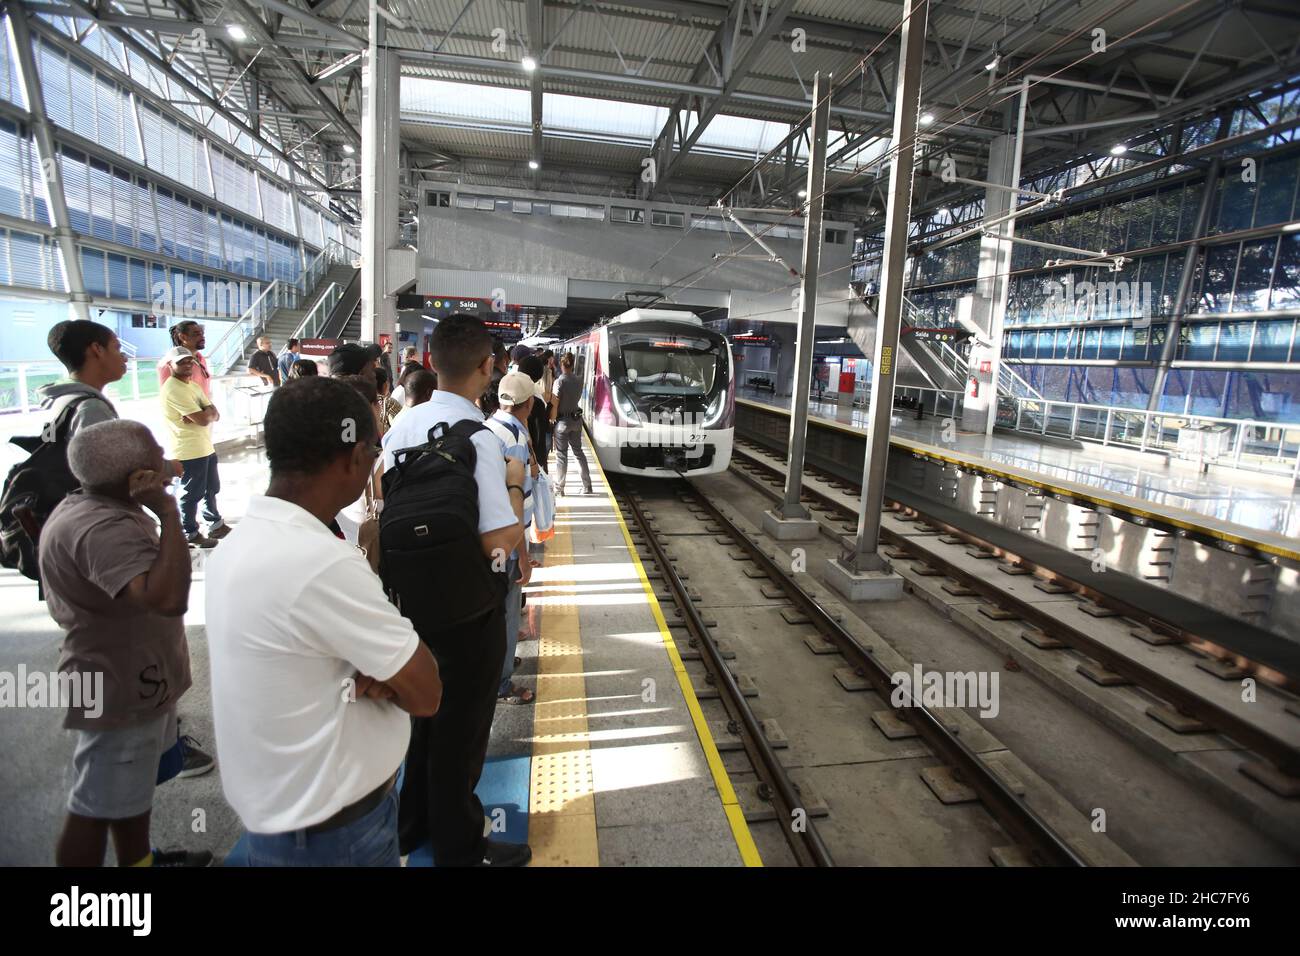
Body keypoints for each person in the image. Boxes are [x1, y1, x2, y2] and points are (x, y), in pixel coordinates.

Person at [205, 378, 442, 867]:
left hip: (286, 825)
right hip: (336, 838)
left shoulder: (239, 544)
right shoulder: (320, 563)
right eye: (375, 450)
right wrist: (390, 677)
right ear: (355, 456)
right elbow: (425, 691)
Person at [382, 313, 530, 867]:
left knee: (424, 716)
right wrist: (515, 488)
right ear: (488, 368)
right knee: (463, 728)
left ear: (431, 363)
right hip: (469, 608)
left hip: (408, 603)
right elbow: (497, 537)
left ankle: (411, 823)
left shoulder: (402, 426)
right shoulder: (480, 437)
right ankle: (461, 846)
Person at [41, 419, 211, 867]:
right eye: (156, 451)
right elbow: (168, 599)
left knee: (126, 794)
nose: (165, 456)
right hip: (116, 687)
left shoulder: (103, 505)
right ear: (138, 478)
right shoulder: (103, 530)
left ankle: (141, 862)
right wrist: (170, 512)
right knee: (94, 805)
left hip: (137, 680)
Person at [484, 372, 537, 706]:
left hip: (487, 537)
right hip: (508, 540)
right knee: (507, 610)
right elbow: (512, 503)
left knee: (495, 606)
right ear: (528, 403)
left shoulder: (489, 425)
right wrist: (524, 556)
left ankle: (496, 664)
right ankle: (501, 681)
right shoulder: (516, 438)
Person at [159, 346, 227, 548]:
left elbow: (214, 414)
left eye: (190, 361)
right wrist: (204, 414)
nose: (187, 364)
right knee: (191, 494)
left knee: (211, 488)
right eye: (181, 361)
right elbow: (204, 419)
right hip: (188, 450)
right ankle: (189, 532)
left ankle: (214, 523)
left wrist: (205, 414)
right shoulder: (172, 388)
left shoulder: (193, 386)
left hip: (205, 446)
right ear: (170, 365)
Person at [37, 320, 125, 439]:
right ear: (97, 349)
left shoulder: (58, 399)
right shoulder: (90, 409)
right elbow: (104, 457)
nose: (124, 359)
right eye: (117, 348)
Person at [550, 352, 592, 496]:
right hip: (576, 421)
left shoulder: (559, 381)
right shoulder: (579, 380)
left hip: (562, 422)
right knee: (578, 453)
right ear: (572, 365)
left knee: (562, 455)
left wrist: (551, 419)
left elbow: (555, 403)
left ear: (562, 365)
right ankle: (587, 486)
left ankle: (560, 489)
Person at [158, 321, 212, 398]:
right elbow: (170, 397)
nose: (202, 337)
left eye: (202, 334)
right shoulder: (170, 364)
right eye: (196, 334)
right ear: (183, 337)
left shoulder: (200, 359)